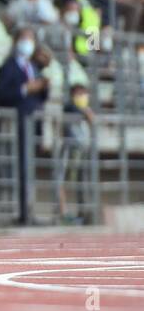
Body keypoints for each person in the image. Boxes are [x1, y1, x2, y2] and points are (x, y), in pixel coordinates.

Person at [0, 29, 50, 225]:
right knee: (16, 169)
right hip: (15, 126)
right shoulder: (8, 66)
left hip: (33, 126)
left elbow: (40, 96)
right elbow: (1, 94)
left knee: (30, 169)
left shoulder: (33, 66)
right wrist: (26, 89)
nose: (27, 43)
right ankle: (19, 212)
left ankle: (30, 211)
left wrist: (43, 86)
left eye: (31, 38)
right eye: (24, 38)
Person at [56, 83, 94, 224]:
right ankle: (63, 213)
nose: (82, 97)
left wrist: (87, 112)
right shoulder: (70, 106)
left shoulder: (84, 108)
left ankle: (82, 213)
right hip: (69, 150)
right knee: (62, 181)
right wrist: (85, 111)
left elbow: (92, 121)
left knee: (81, 182)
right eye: (79, 94)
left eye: (84, 93)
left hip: (82, 151)